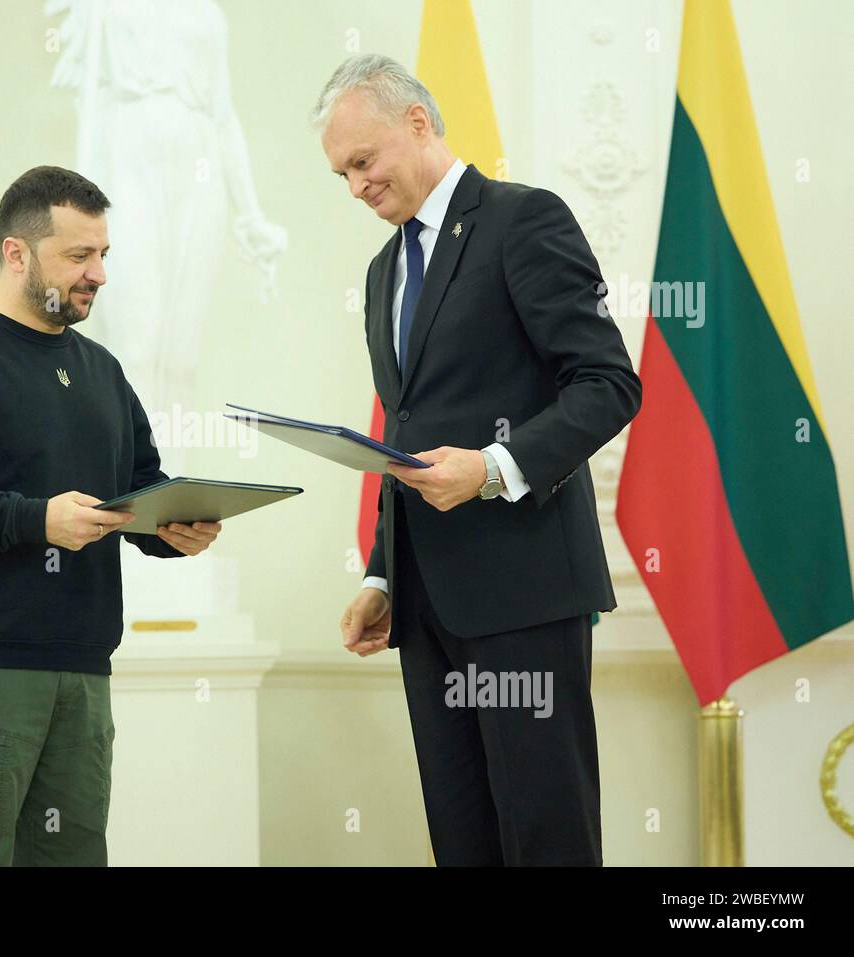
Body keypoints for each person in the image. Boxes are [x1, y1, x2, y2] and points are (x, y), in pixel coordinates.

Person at [316, 55, 641, 866]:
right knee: (464, 843)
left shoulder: (523, 220)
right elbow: (408, 432)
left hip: (525, 593)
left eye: (363, 161)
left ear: (418, 123)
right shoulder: (383, 269)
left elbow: (607, 384)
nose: (355, 186)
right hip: (426, 608)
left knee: (545, 834)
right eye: (341, 174)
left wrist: (495, 467)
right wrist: (383, 575)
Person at [0, 165, 221, 866]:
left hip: (84, 672)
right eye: (78, 256)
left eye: (103, 255)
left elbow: (135, 487)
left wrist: (175, 526)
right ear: (17, 253)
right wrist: (36, 522)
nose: (97, 273)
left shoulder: (102, 372)